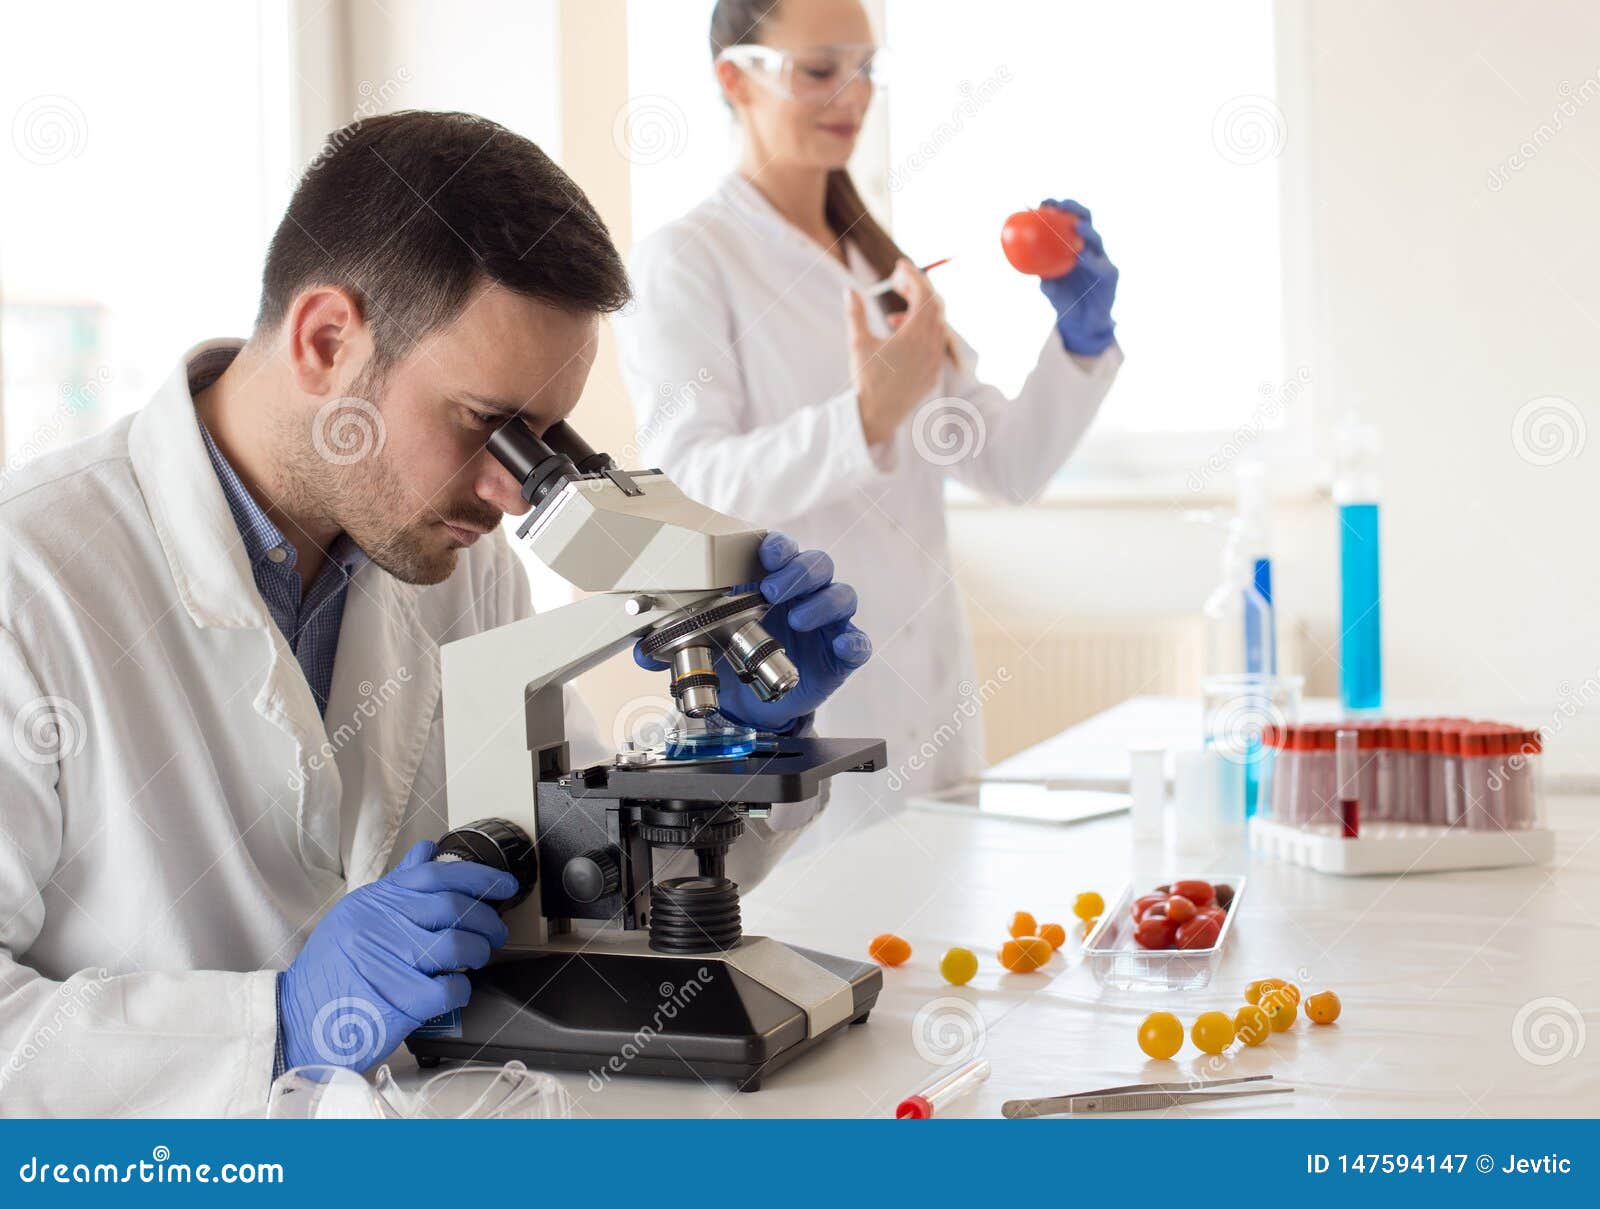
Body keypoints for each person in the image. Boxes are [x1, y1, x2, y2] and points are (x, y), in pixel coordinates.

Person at [0, 111, 870, 1116]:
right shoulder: (32, 579)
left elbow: (588, 883)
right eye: (486, 426)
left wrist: (738, 742)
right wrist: (274, 1022)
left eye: (543, 440)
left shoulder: (455, 562)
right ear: (328, 341)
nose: (513, 492)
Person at [613, 0, 1122, 841]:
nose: (851, 95)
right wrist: (865, 418)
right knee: (837, 951)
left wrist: (1079, 339)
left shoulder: (883, 268)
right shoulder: (687, 261)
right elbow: (691, 488)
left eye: (866, 70)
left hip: (933, 705)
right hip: (803, 713)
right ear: (733, 77)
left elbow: (1010, 465)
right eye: (820, 70)